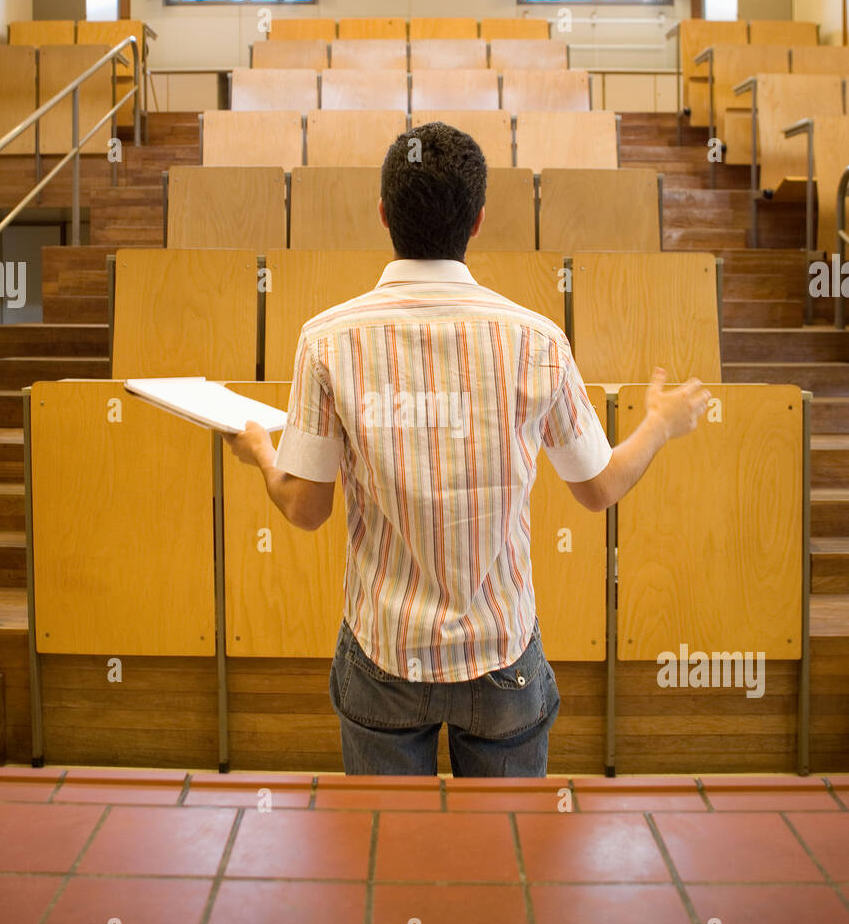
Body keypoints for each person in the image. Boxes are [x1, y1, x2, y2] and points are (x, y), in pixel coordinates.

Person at [227, 123, 710, 776]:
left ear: (382, 214)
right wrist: (661, 423)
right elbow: (599, 489)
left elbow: (305, 509)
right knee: (503, 853)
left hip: (383, 653)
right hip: (500, 651)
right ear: (478, 221)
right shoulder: (537, 341)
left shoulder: (327, 340)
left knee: (385, 847)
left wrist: (260, 448)